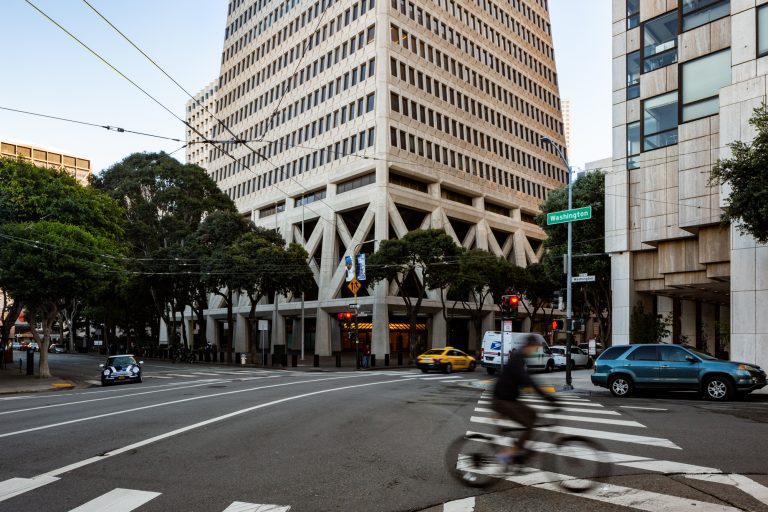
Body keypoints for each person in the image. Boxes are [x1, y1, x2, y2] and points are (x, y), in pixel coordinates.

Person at [492, 335, 556, 465]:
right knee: (528, 425)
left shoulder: (521, 357)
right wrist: (547, 397)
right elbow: (527, 380)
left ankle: (517, 447)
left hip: (507, 398)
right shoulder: (518, 358)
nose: (536, 349)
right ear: (529, 346)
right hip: (503, 400)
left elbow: (524, 380)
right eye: (535, 347)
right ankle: (509, 454)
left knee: (533, 414)